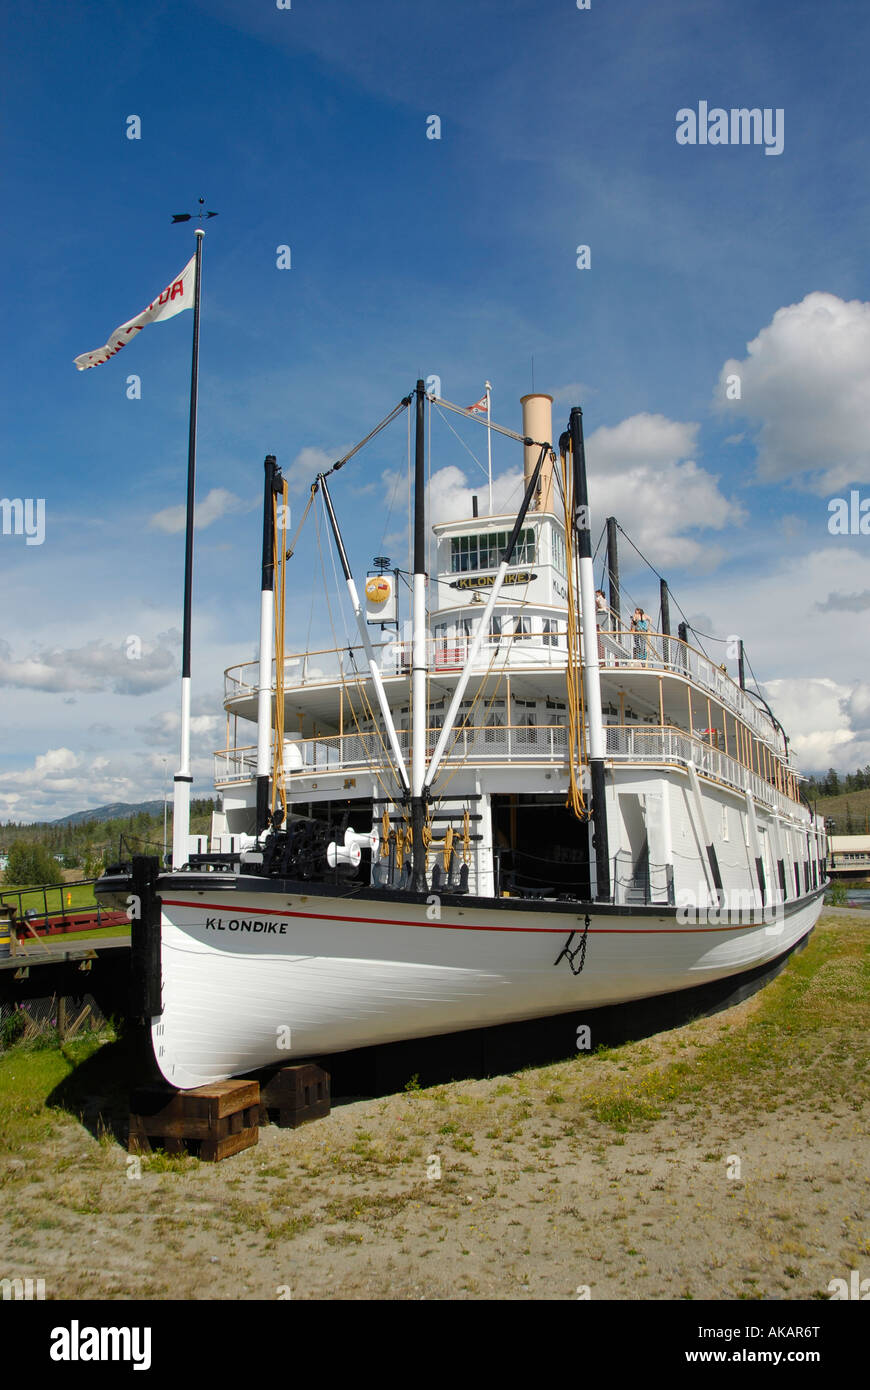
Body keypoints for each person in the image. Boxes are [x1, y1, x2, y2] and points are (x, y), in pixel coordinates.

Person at [595, 589, 610, 660]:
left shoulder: (598, 598)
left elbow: (598, 604)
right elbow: (605, 605)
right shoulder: (604, 598)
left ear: (599, 593)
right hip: (605, 611)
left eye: (596, 593)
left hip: (600, 611)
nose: (596, 594)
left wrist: (598, 607)